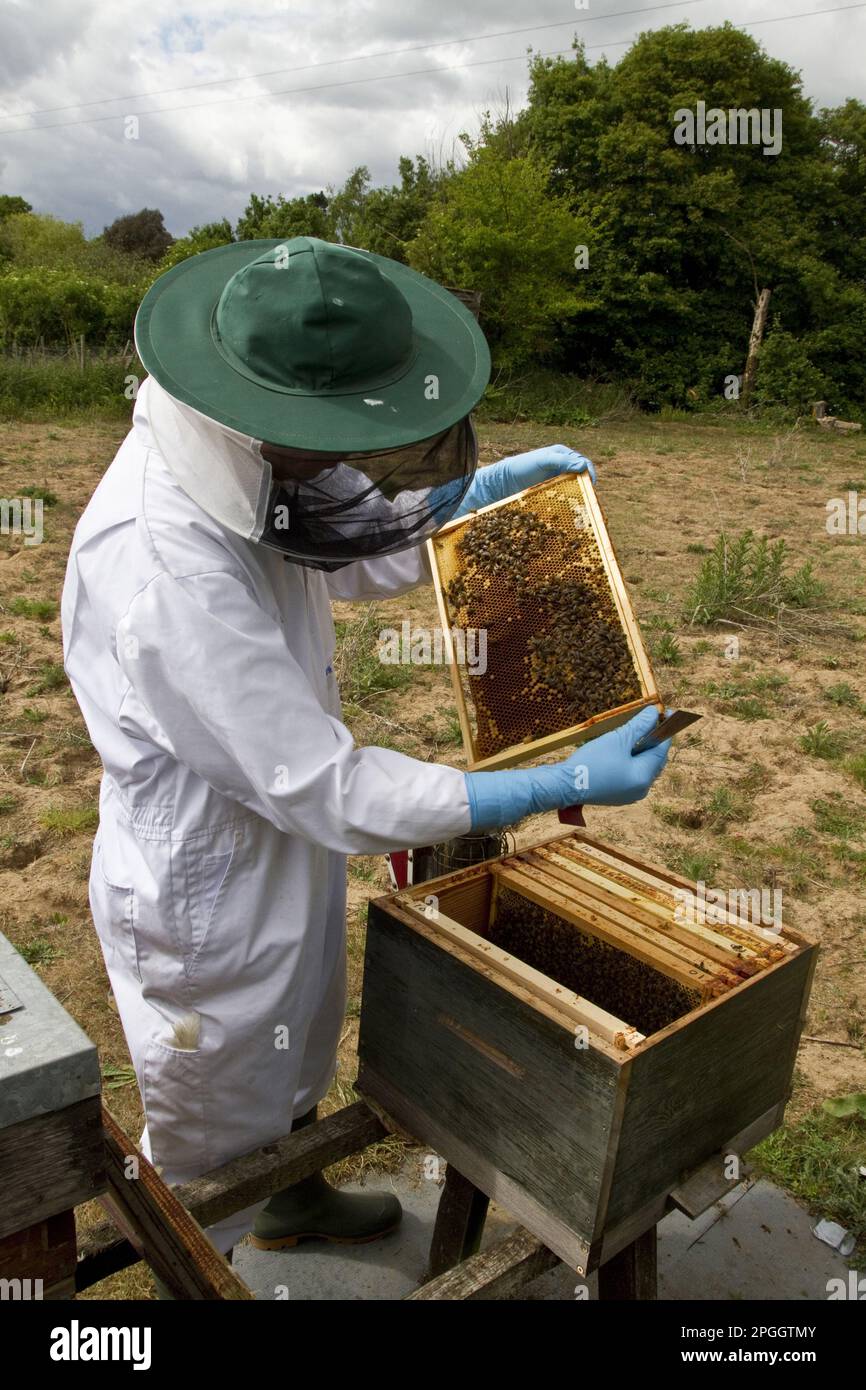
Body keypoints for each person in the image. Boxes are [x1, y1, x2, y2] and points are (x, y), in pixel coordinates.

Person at [61, 237, 670, 1278]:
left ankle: (291, 1197)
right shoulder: (164, 565)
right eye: (324, 440)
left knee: (294, 1033)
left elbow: (340, 542)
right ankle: (187, 1267)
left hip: (268, 836)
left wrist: (477, 502)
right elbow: (328, 785)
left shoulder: (244, 451)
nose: (343, 461)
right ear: (260, 412)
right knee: (209, 1127)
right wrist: (555, 779)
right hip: (207, 885)